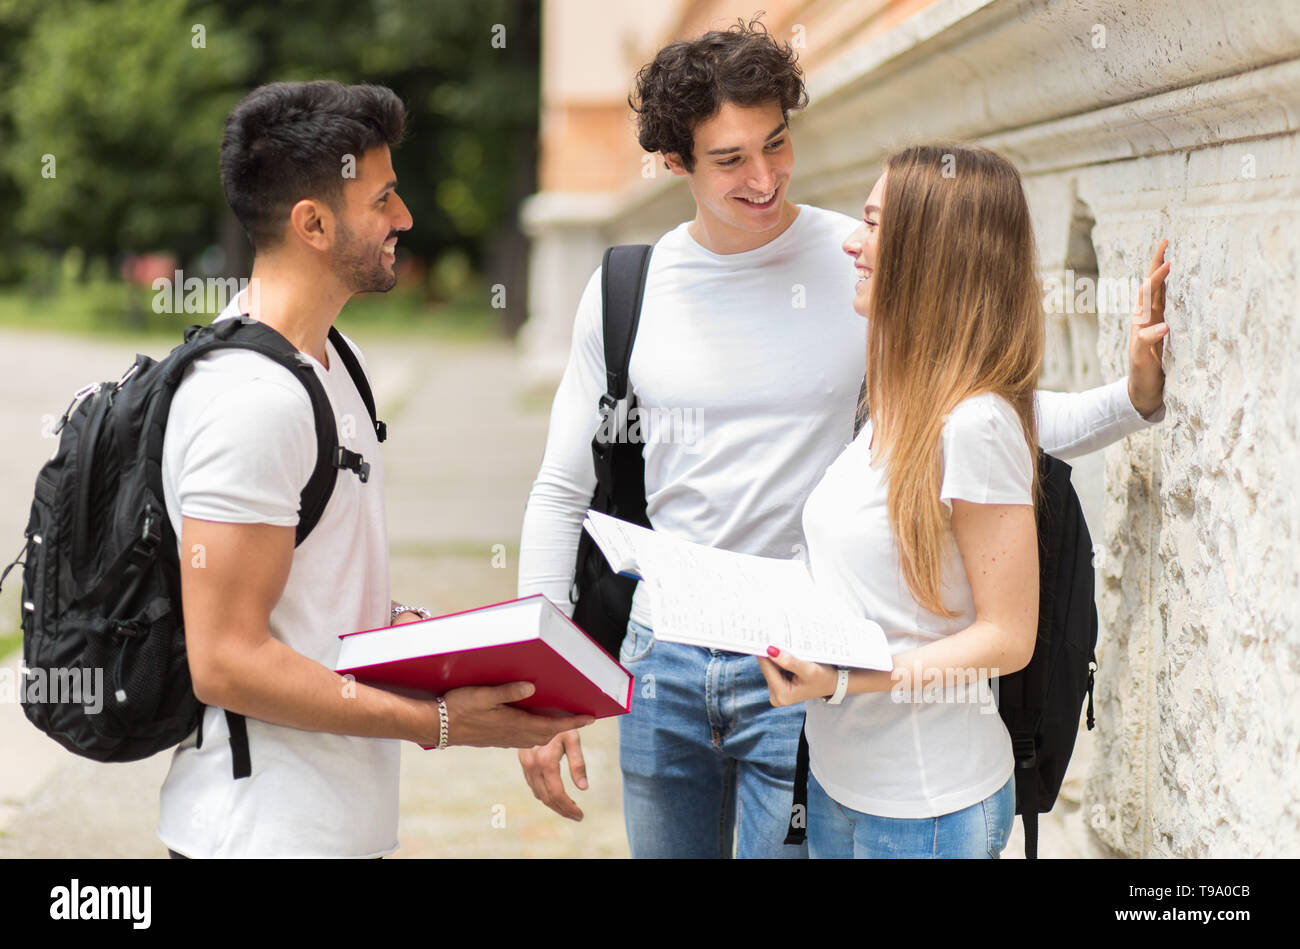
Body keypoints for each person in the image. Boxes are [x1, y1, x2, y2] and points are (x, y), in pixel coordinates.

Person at [515, 19, 1167, 859]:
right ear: (675, 163)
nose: (764, 178)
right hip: (662, 661)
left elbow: (983, 414)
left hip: (805, 671)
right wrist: (542, 671)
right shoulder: (627, 289)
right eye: (729, 160)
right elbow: (562, 490)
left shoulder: (864, 261)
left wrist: (1133, 400)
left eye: (776, 144)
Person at [159, 80, 592, 859]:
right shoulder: (252, 401)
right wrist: (446, 724)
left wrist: (417, 640)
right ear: (313, 223)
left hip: (338, 830)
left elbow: (306, 592)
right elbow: (224, 660)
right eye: (384, 198)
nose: (405, 218)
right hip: (259, 838)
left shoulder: (336, 360)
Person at [758, 144, 1170, 858]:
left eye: (875, 224)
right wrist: (1134, 397)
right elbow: (1047, 421)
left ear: (931, 252)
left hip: (923, 810)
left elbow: (1008, 637)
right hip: (836, 786)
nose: (852, 243)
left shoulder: (975, 422)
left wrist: (846, 679)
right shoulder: (897, 399)